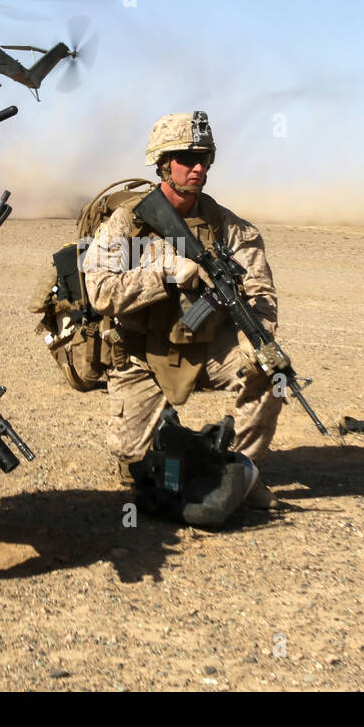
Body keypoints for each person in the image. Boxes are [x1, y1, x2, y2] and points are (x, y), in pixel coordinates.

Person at [81, 111, 281, 504]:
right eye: (186, 158)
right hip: (143, 353)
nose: (197, 167)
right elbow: (101, 292)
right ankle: (161, 438)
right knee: (134, 466)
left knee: (270, 372)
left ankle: (242, 470)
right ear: (161, 164)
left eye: (204, 158)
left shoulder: (229, 227)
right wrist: (165, 273)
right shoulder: (128, 224)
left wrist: (257, 340)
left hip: (207, 348)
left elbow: (260, 294)